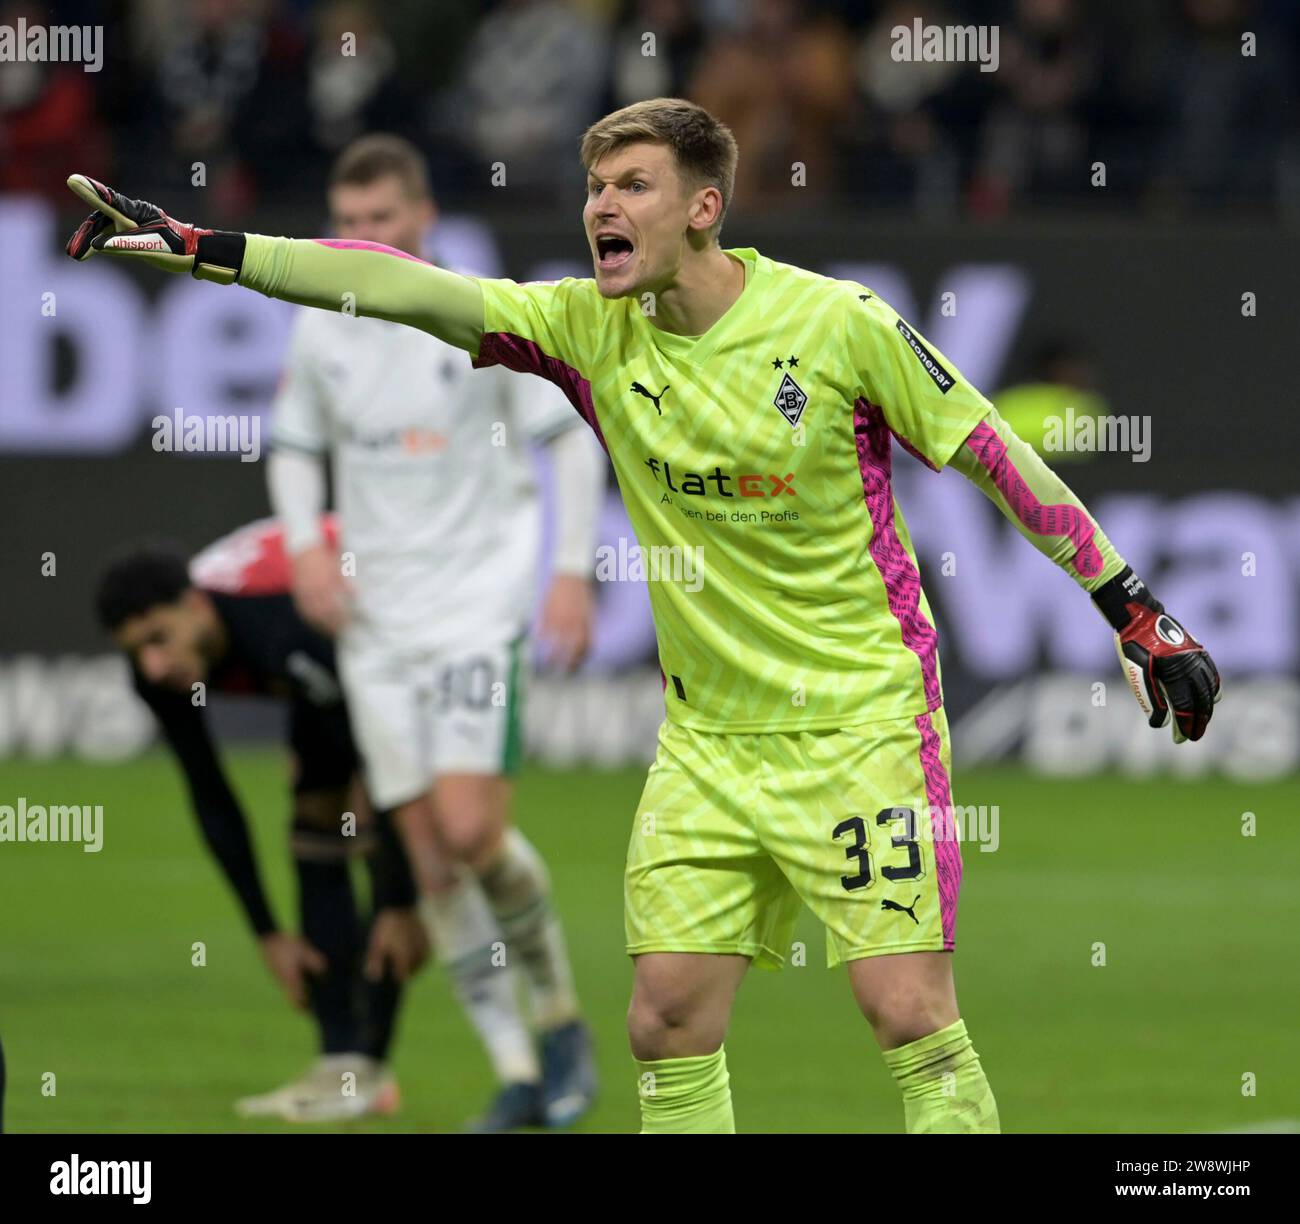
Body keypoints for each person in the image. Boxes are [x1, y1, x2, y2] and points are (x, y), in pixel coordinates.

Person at [65, 96, 1221, 1134]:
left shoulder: (839, 324)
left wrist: (1130, 606)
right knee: (665, 1023)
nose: (599, 210)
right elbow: (402, 284)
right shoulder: (585, 331)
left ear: (703, 207)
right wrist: (203, 247)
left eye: (631, 188)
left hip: (861, 724)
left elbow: (991, 454)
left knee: (905, 1009)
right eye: (593, 188)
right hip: (706, 743)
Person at [265, 133, 605, 1130]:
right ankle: (514, 1075)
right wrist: (304, 549)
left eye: (382, 220)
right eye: (349, 222)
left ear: (422, 219)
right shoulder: (321, 328)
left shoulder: (473, 309)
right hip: (374, 620)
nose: (363, 239)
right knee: (422, 856)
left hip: (474, 606)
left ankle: (558, 1015)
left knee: (468, 829)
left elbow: (569, 442)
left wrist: (571, 574)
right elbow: (293, 451)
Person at [96, 522, 425, 1122]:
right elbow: (211, 795)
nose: (151, 665)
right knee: (317, 825)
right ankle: (345, 1069)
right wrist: (267, 932)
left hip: (411, 630)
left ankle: (538, 1041)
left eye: (158, 639)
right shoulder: (166, 670)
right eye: (136, 650)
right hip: (335, 673)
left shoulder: (281, 619)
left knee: (431, 836)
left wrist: (402, 899)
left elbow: (388, 750)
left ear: (196, 605)